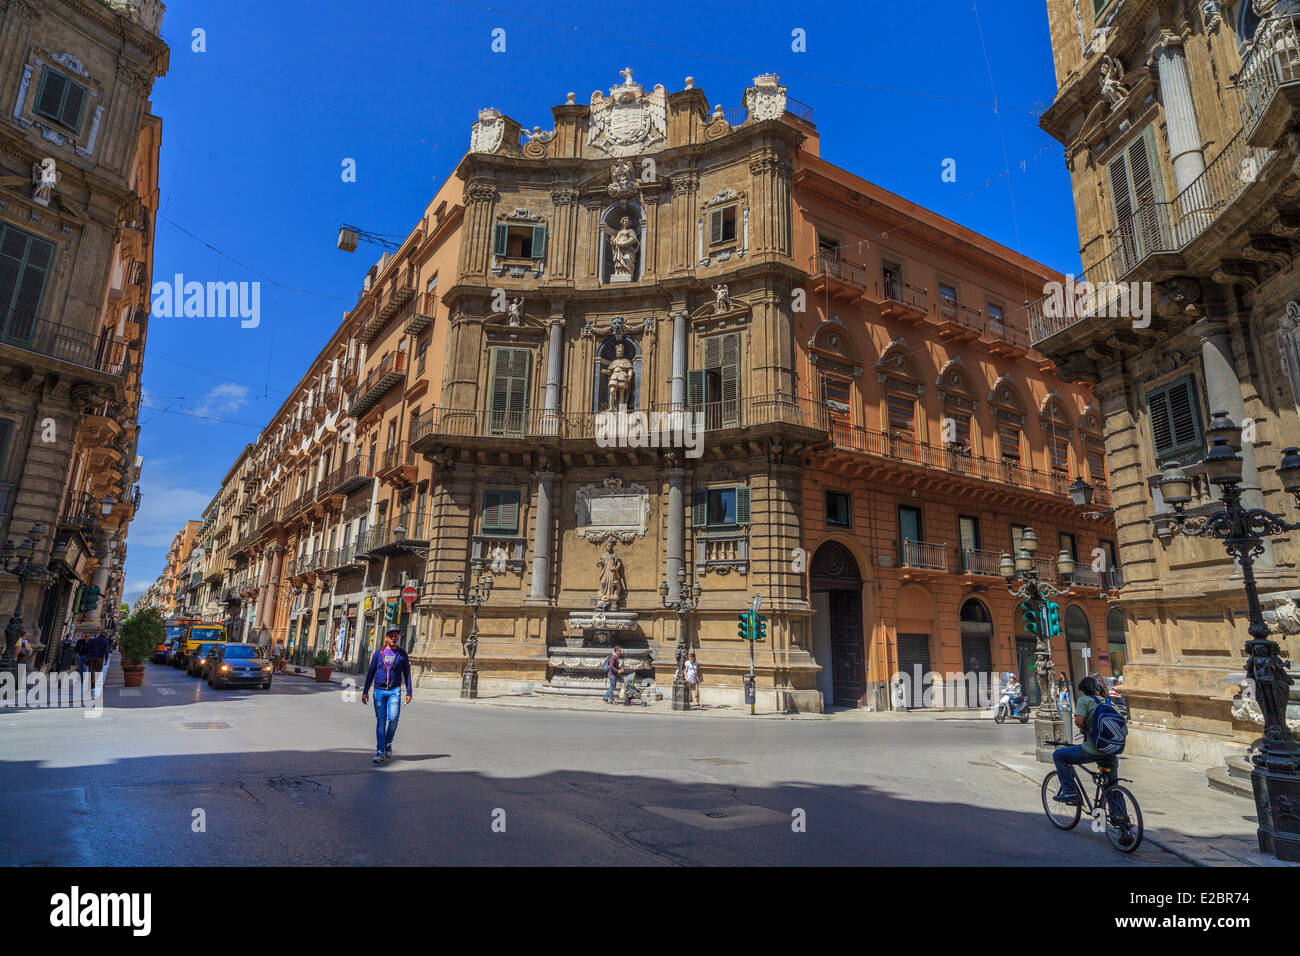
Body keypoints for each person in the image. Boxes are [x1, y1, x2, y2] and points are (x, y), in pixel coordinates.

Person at [1051, 676, 1119, 804]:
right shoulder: (1110, 703)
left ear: (1084, 690)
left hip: (1092, 750)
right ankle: (1120, 817)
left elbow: (1079, 721)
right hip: (1111, 751)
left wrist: (1085, 728)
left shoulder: (1084, 700)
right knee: (1112, 786)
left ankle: (1070, 792)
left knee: (1058, 756)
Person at [361, 628, 412, 764]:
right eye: (391, 636)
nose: (393, 638)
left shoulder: (402, 654)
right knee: (381, 722)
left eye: (395, 636)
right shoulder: (379, 653)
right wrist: (365, 691)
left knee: (394, 718)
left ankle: (388, 742)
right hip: (379, 691)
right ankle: (379, 751)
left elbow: (407, 673)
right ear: (386, 638)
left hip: (394, 690)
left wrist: (409, 692)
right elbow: (371, 672)